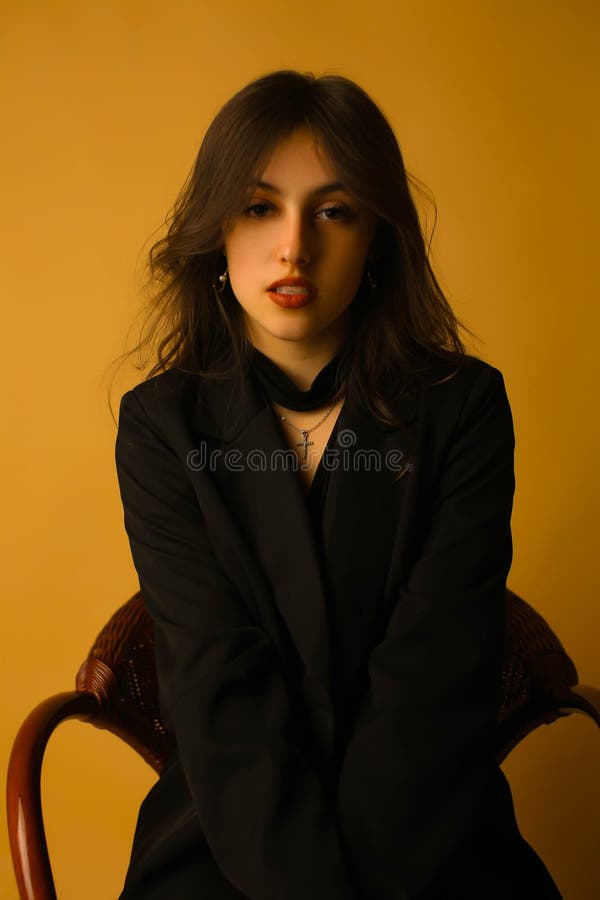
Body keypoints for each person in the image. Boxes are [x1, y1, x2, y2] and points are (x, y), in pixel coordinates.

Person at [115, 70, 561, 899]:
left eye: (333, 210)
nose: (293, 247)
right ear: (217, 230)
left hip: (431, 831)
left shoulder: (463, 410)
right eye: (258, 207)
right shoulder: (159, 425)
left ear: (377, 238)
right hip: (228, 832)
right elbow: (219, 684)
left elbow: (436, 673)